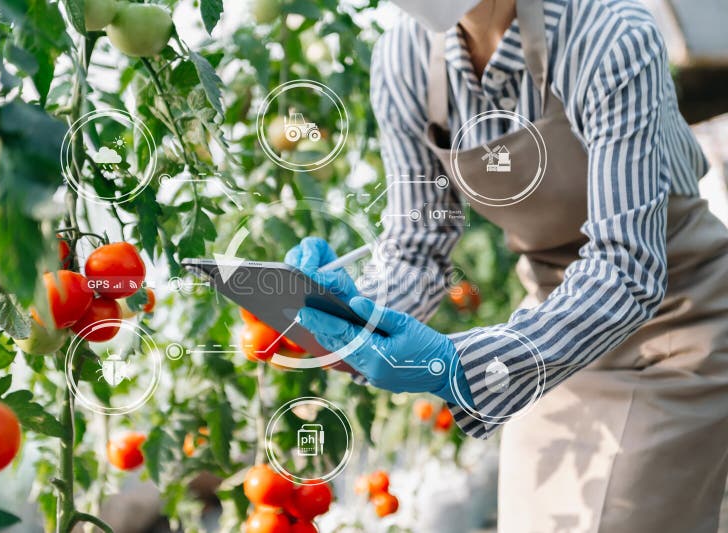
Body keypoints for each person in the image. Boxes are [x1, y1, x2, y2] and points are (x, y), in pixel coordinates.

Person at [285, 0, 728, 531]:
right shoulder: (403, 55)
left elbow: (627, 267)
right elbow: (419, 243)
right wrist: (358, 314)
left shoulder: (609, 35)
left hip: (679, 327)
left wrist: (464, 364)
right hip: (550, 329)